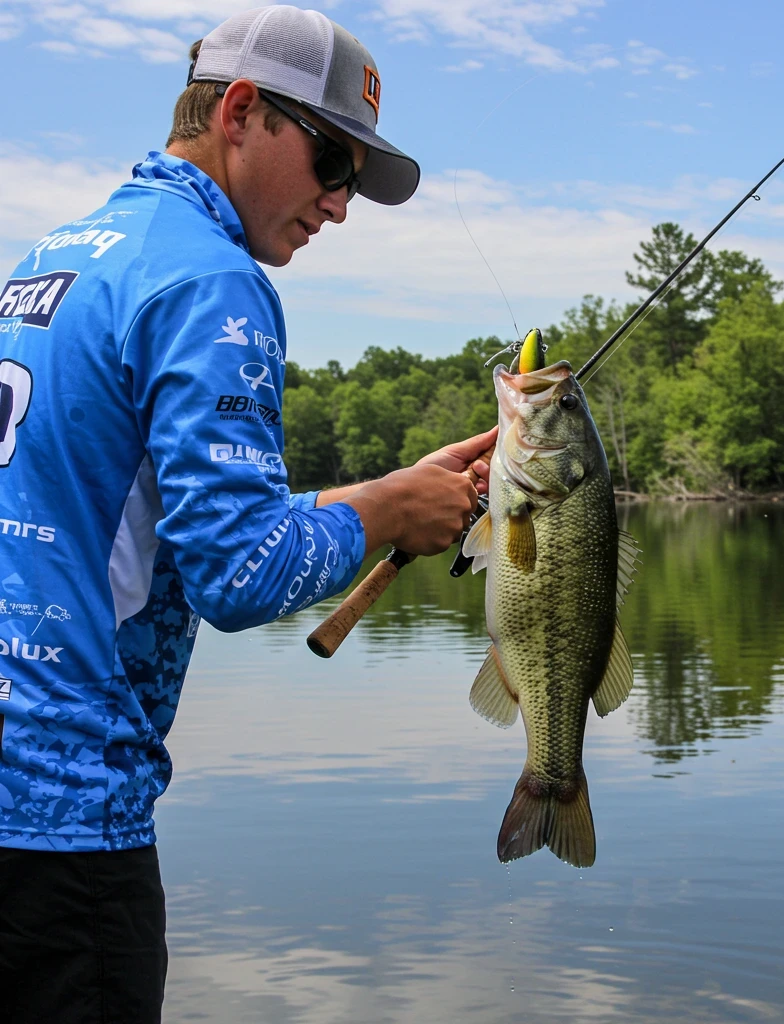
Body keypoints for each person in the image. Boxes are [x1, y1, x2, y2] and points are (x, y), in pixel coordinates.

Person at [0, 6, 494, 1021]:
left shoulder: (58, 257)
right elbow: (239, 576)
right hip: (62, 829)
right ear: (238, 111)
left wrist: (382, 496)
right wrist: (389, 512)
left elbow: (158, 522)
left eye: (353, 177)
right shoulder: (209, 279)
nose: (341, 203)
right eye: (331, 161)